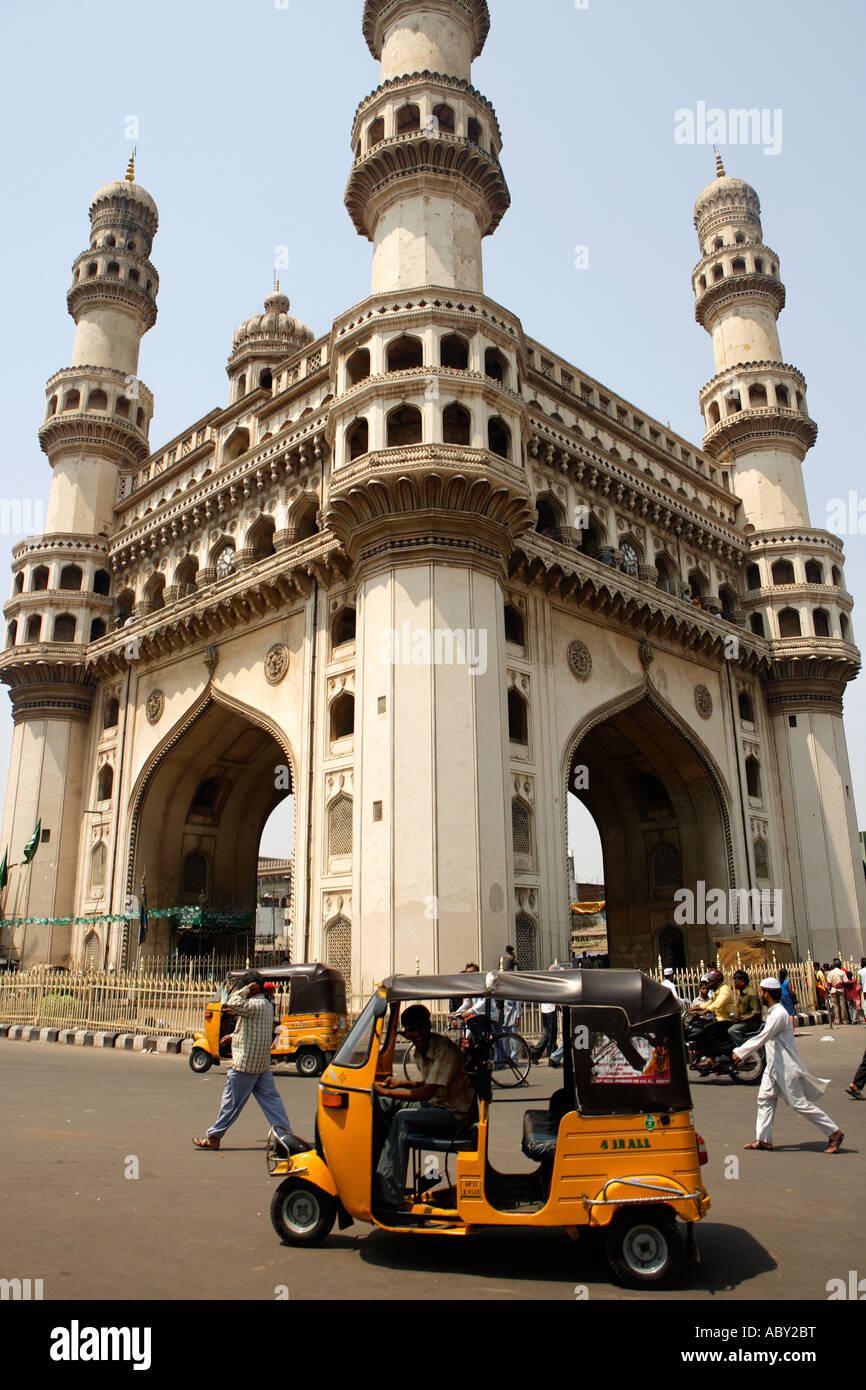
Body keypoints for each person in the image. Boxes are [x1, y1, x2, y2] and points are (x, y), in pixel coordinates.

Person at [193, 971, 307, 1154]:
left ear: (253, 987)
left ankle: (214, 1137)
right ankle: (285, 1138)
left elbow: (231, 1003)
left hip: (245, 1065)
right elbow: (253, 1028)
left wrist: (246, 989)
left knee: (231, 1103)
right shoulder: (267, 1005)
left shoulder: (252, 1005)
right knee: (273, 1103)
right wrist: (233, 1035)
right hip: (261, 1065)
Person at [374, 1005, 477, 1208]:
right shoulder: (420, 1051)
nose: (417, 1034)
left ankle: (389, 1193)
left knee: (402, 1118)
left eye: (421, 1027)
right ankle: (378, 1170)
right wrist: (399, 1084)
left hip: (454, 1115)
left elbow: (427, 1092)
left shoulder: (444, 1050)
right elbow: (429, 1083)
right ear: (406, 1033)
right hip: (437, 1105)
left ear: (429, 1026)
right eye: (412, 1029)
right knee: (384, 1103)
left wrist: (387, 1091)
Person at [733, 978, 843, 1154]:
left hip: (785, 1067)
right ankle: (763, 1139)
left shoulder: (779, 1014)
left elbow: (763, 1036)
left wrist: (741, 1052)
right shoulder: (774, 1013)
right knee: (765, 1099)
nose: (760, 994)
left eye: (761, 991)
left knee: (798, 1103)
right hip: (773, 1067)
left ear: (767, 994)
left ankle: (834, 1132)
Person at [688, 968, 736, 1070]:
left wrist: (703, 1012)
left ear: (716, 980)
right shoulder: (718, 990)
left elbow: (717, 1004)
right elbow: (710, 1002)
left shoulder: (724, 990)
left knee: (707, 1031)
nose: (709, 982)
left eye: (711, 980)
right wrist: (696, 1008)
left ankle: (711, 1058)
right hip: (720, 1019)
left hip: (727, 1020)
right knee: (701, 1027)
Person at [453, 964, 499, 1045]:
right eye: (467, 973)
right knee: (470, 1040)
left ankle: (483, 1043)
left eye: (472, 972)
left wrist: (469, 1012)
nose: (469, 975)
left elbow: (482, 1002)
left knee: (470, 1022)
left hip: (488, 1014)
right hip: (479, 1016)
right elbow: (468, 1002)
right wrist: (457, 1012)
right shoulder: (471, 986)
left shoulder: (482, 984)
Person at [530, 966, 560, 1062]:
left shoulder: (544, 982)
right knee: (552, 1035)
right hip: (550, 1010)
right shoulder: (553, 983)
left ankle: (535, 1053)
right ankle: (552, 1057)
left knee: (548, 1034)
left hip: (544, 1010)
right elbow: (555, 998)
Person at [728, 970, 763, 1049]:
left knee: (732, 1031)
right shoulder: (742, 993)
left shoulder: (750, 994)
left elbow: (755, 1013)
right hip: (744, 1021)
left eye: (736, 981)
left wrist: (741, 1019)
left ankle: (743, 1051)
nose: (734, 983)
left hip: (752, 1023)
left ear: (742, 981)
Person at [826, 959, 849, 1024]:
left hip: (833, 990)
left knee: (835, 1006)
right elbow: (846, 981)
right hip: (841, 990)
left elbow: (828, 983)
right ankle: (844, 1020)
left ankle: (837, 1020)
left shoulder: (831, 973)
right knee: (842, 1005)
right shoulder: (842, 972)